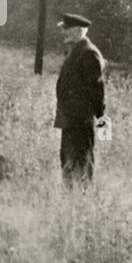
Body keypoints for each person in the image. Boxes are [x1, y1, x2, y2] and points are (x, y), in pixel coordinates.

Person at [54, 13, 106, 184]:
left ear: (77, 31)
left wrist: (102, 121)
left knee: (82, 160)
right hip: (70, 117)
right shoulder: (76, 51)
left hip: (81, 119)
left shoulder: (89, 53)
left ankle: (82, 199)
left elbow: (97, 91)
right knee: (68, 160)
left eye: (66, 29)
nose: (63, 32)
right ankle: (70, 199)